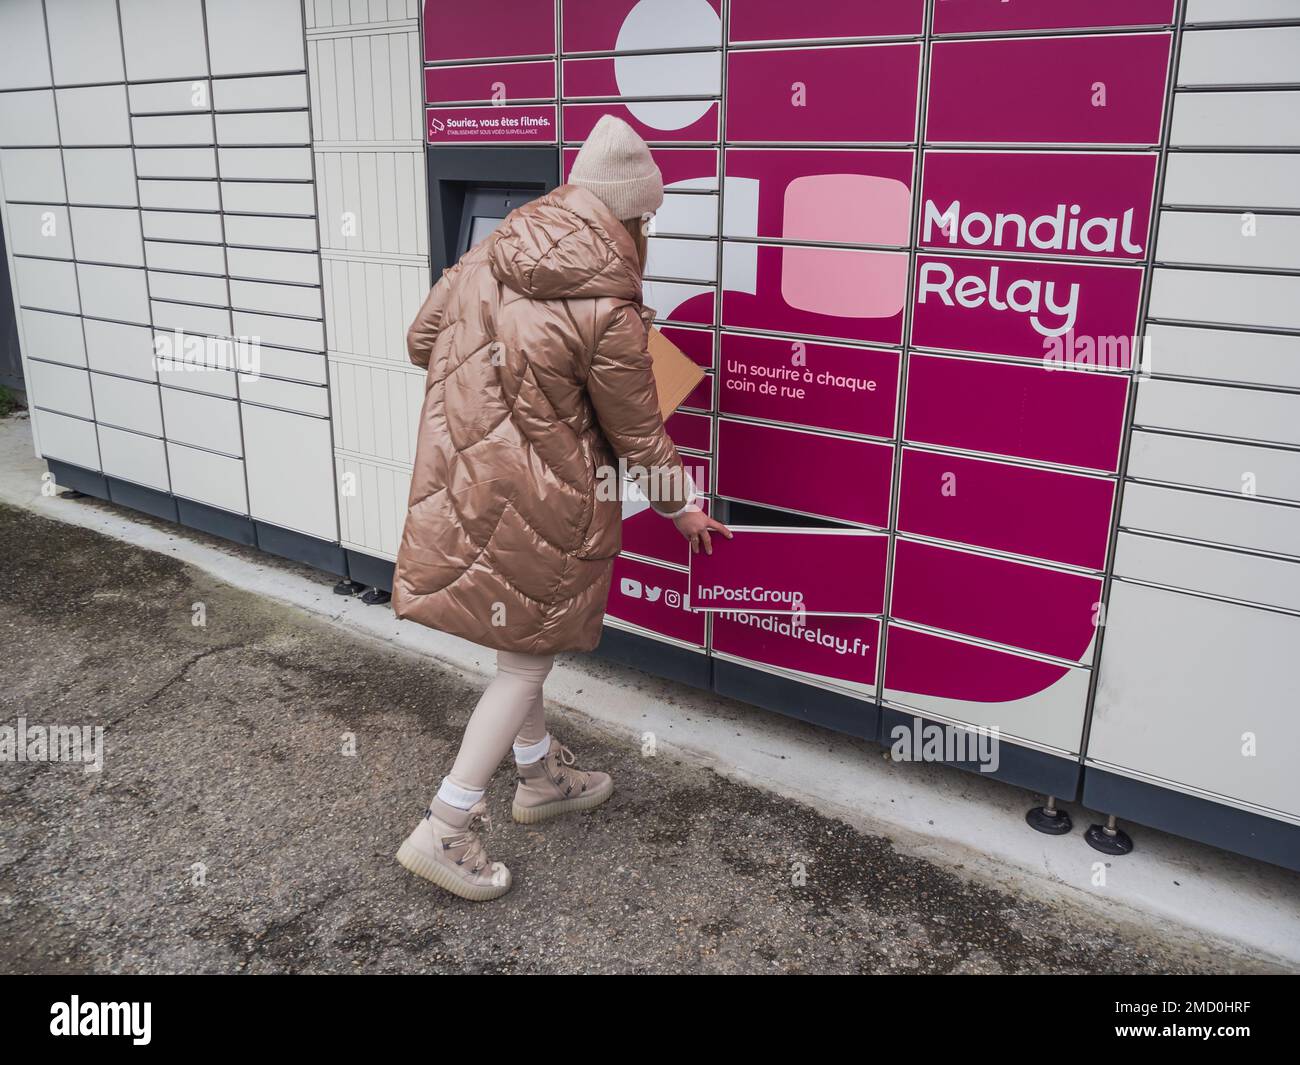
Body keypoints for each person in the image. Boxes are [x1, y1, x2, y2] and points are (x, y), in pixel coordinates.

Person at [391, 114, 731, 901]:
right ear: (631, 215)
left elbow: (421, 340)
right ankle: (447, 823)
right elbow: (640, 435)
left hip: (468, 476)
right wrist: (685, 508)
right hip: (546, 494)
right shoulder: (607, 306)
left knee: (523, 639)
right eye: (647, 217)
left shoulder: (488, 252)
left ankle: (540, 773)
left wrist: (498, 397)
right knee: (525, 661)